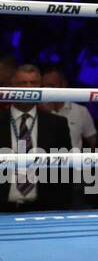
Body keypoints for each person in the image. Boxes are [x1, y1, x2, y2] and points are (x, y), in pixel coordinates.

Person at [2, 64, 73, 212]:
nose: (28, 88)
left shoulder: (57, 124)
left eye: (33, 83)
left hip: (44, 209)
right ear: (11, 86)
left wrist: (61, 210)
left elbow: (66, 171)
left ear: (40, 87)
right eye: (22, 83)